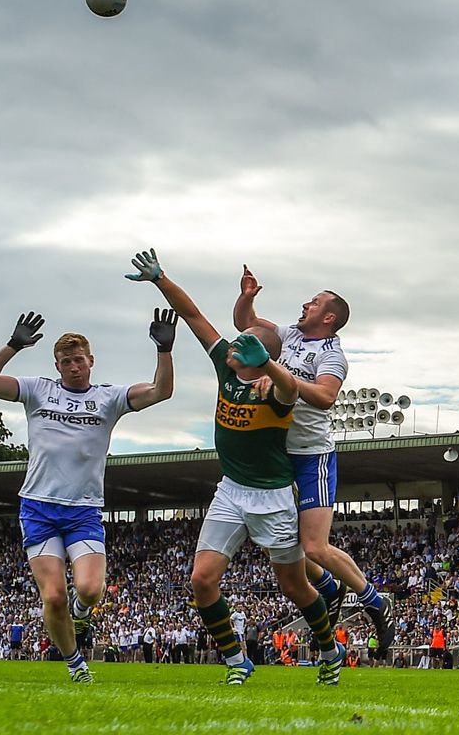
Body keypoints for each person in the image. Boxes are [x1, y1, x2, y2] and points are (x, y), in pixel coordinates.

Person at [125, 248, 344, 686]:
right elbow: (194, 317)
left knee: (295, 587)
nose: (228, 349)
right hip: (231, 490)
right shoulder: (227, 369)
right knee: (202, 581)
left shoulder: (276, 390)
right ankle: (235, 660)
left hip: (273, 497)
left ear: (259, 357)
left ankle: (328, 650)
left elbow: (291, 385)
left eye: (242, 347)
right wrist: (160, 279)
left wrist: (269, 366)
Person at [0, 308, 177, 683]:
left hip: (83, 510)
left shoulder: (109, 397)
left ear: (91, 361)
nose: (73, 366)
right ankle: (75, 663)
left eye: (79, 359)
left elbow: (161, 391)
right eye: (66, 361)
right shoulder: (37, 389)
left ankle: (81, 615)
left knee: (90, 590)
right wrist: (13, 345)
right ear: (57, 365)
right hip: (39, 508)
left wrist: (165, 350)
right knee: (53, 598)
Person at [234, 265, 395, 653]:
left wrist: (280, 377)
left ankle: (374, 600)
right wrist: (248, 298)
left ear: (329, 318)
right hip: (276, 451)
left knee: (315, 548)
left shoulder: (332, 355)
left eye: (315, 302)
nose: (305, 304)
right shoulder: (288, 334)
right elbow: (246, 325)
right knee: (274, 540)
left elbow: (325, 397)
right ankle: (327, 585)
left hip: (311, 455)